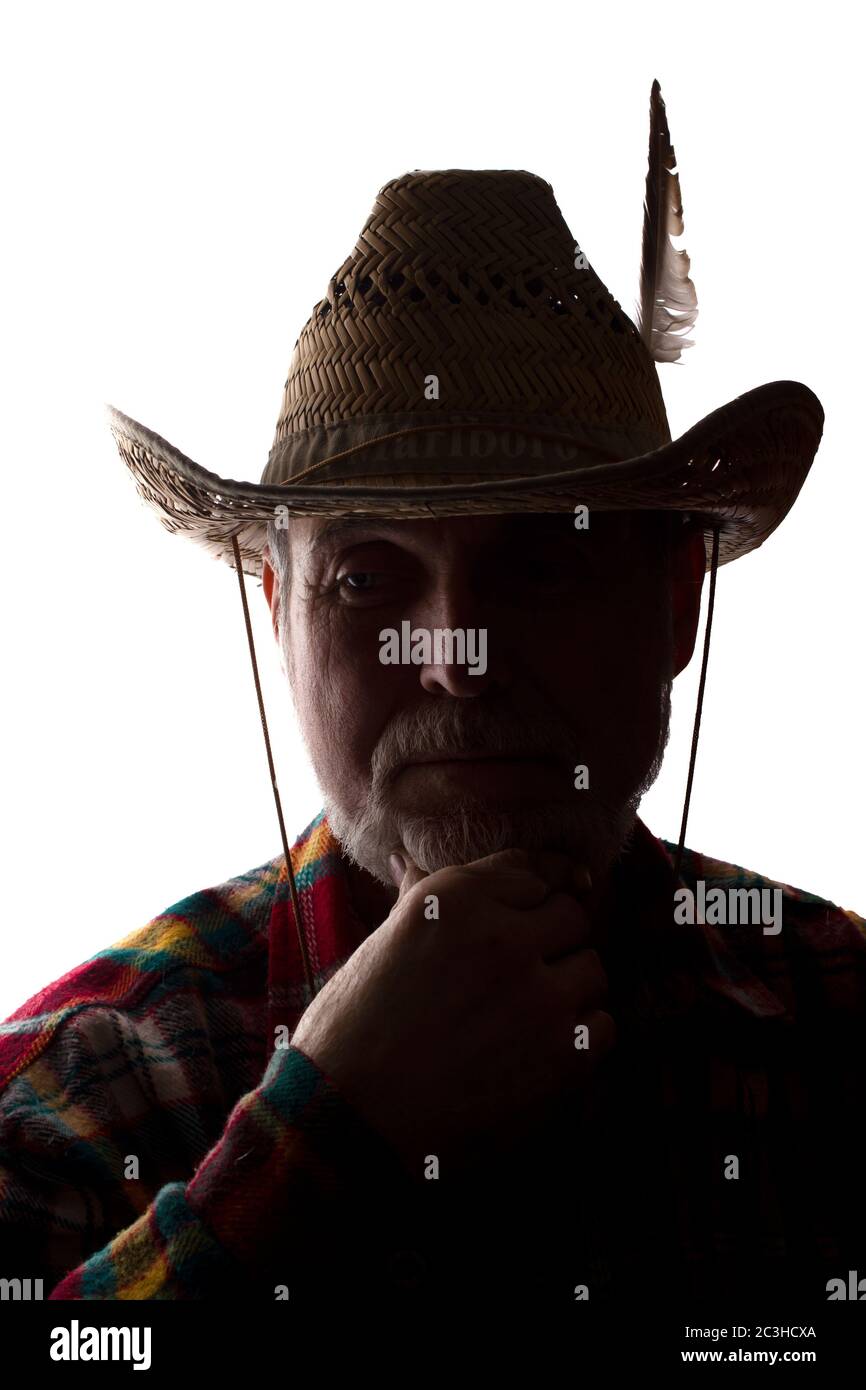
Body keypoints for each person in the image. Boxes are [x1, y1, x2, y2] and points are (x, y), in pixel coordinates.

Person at [2, 90, 863, 1310]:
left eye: (543, 562)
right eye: (366, 577)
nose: (456, 651)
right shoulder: (97, 1082)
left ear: (672, 606)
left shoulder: (835, 1025)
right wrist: (319, 1138)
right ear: (275, 610)